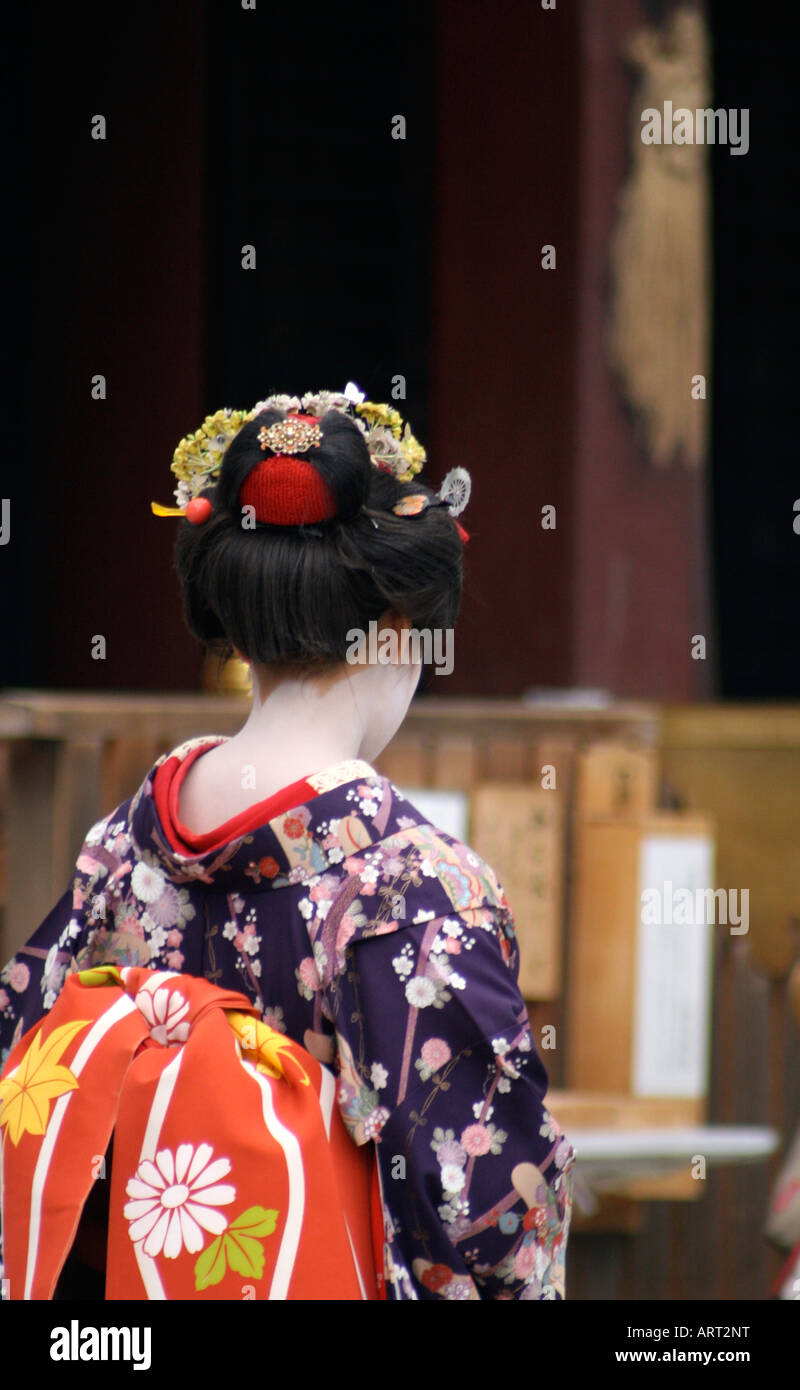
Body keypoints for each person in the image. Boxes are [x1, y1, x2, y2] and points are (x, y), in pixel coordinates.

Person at [0, 386, 575, 1300]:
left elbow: (25, 1069)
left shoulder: (120, 849)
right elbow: (484, 1223)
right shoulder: (412, 886)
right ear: (394, 629)